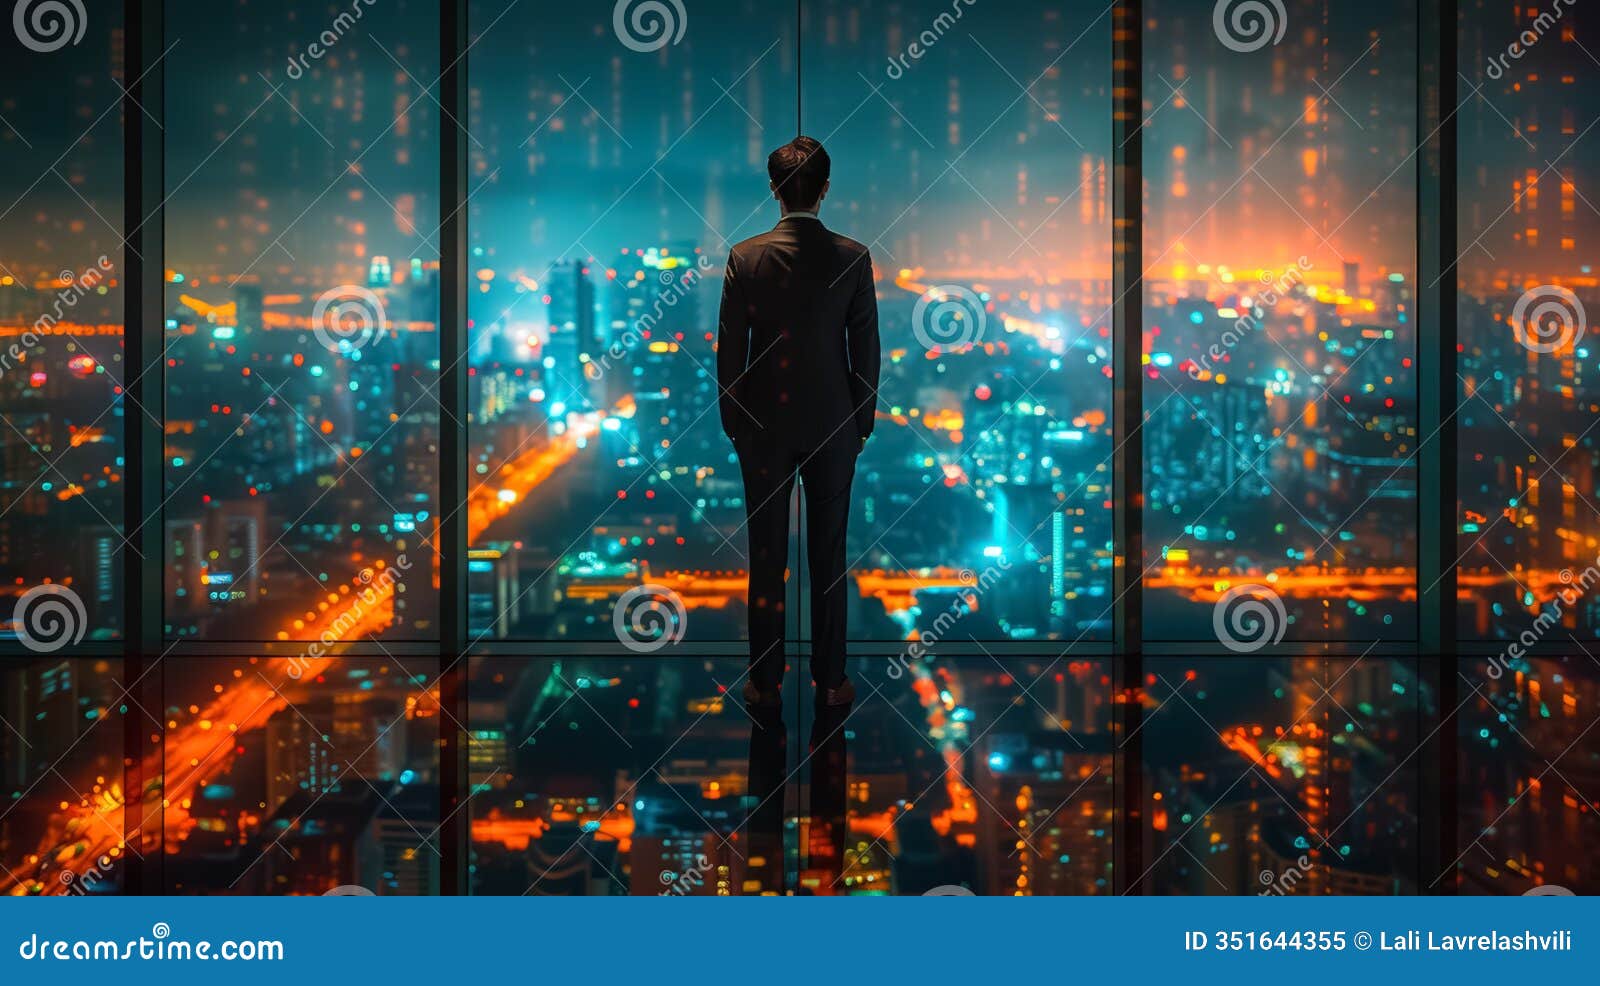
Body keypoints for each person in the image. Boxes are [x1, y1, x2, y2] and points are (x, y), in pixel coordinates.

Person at [716, 136, 880, 709]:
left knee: (766, 554)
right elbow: (866, 350)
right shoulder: (853, 257)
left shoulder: (746, 256)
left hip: (762, 424)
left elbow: (730, 350)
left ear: (774, 189)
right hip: (835, 421)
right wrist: (861, 423)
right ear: (826, 188)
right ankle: (830, 679)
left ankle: (765, 681)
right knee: (829, 552)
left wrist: (734, 421)